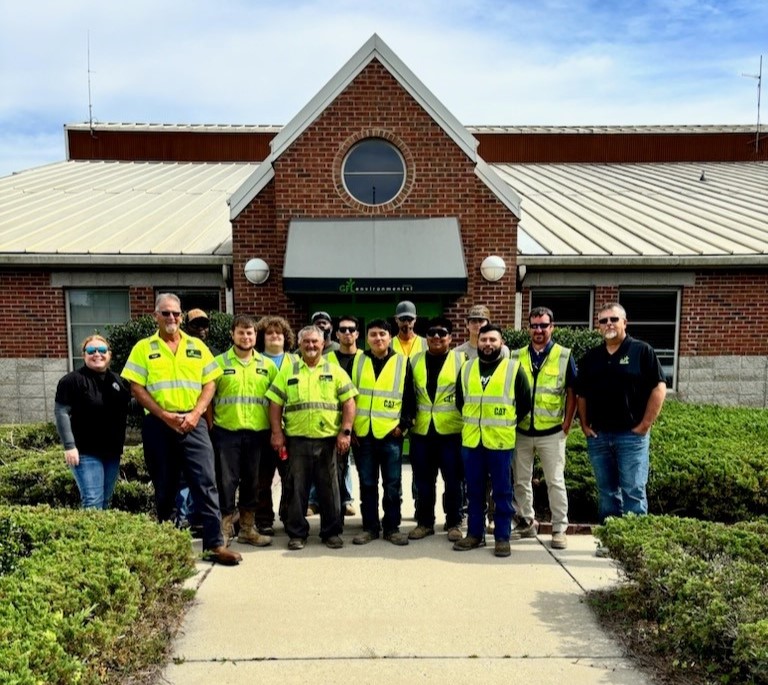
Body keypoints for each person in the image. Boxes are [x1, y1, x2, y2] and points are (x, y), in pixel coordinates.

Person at [121, 293, 241, 566]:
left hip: (193, 424)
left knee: (206, 483)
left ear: (181, 315)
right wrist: (164, 415)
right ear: (156, 316)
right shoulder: (143, 348)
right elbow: (136, 387)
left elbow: (210, 381)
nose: (172, 318)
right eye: (166, 313)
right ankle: (169, 547)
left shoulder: (197, 346)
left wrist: (197, 412)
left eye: (176, 313)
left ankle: (213, 546)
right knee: (164, 487)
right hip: (159, 425)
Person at [576, 303, 666, 534]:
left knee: (633, 489)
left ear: (624, 322)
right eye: (603, 321)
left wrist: (645, 425)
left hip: (631, 436)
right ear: (598, 327)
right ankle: (611, 538)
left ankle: (634, 541)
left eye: (613, 319)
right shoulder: (591, 357)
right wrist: (584, 425)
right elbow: (582, 394)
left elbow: (659, 388)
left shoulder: (641, 351)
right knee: (607, 491)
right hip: (599, 436)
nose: (609, 324)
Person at [266, 325, 357, 550]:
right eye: (306, 341)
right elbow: (275, 402)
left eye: (315, 341)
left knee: (330, 489)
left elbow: (349, 402)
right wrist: (277, 433)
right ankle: (297, 533)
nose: (311, 345)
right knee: (297, 488)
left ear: (323, 343)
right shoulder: (289, 371)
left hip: (328, 440)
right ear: (299, 344)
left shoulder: (334, 370)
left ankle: (331, 532)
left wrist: (345, 431)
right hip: (297, 440)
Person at [453, 324, 531, 557]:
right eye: (484, 340)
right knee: (474, 492)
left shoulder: (513, 369)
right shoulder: (466, 369)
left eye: (492, 340)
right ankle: (475, 535)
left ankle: (502, 537)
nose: (487, 344)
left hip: (500, 443)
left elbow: (524, 404)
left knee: (502, 493)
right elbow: (461, 401)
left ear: (502, 343)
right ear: (478, 342)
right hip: (472, 442)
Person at [512, 306, 577, 550]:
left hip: (551, 431)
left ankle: (559, 528)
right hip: (521, 431)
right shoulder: (516, 356)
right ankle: (527, 522)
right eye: (534, 325)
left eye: (543, 325)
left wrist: (568, 422)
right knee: (521, 480)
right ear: (528, 328)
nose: (538, 330)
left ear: (552, 327)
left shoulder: (563, 355)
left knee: (555, 481)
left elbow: (572, 391)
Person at [208, 314, 274, 548]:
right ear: (232, 335)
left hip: (258, 435)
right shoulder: (218, 363)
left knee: (253, 483)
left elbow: (276, 401)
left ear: (256, 336)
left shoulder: (267, 366)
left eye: (250, 333)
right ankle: (224, 530)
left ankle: (247, 529)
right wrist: (210, 425)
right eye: (241, 332)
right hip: (227, 433)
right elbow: (208, 398)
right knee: (226, 482)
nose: (246, 337)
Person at [350, 319, 416, 546]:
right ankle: (370, 527)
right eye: (373, 334)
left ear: (390, 337)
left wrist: (403, 425)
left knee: (392, 484)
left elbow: (409, 397)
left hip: (390, 434)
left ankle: (392, 527)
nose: (378, 338)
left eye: (382, 334)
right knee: (367, 483)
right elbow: (350, 396)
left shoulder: (401, 362)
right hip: (363, 435)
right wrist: (350, 428)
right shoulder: (359, 360)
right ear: (366, 338)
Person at [54, 335, 132, 509]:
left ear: (109, 354)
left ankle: (102, 537)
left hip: (112, 453)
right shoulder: (71, 381)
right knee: (93, 501)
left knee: (105, 501)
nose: (97, 354)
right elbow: (61, 412)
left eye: (102, 350)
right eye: (91, 351)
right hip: (85, 452)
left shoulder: (117, 380)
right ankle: (90, 536)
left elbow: (128, 406)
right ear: (84, 355)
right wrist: (69, 446)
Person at [407, 317, 466, 543]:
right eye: (431, 333)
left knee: (453, 481)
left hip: (451, 432)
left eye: (442, 333)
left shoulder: (462, 360)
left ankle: (453, 523)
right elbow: (408, 394)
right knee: (423, 481)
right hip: (422, 432)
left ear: (450, 337)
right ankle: (424, 523)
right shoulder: (414, 361)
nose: (436, 337)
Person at [253, 315, 296, 536]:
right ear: (262, 337)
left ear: (286, 337)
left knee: (290, 477)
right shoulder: (255, 361)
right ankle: (263, 520)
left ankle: (288, 516)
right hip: (262, 430)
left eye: (279, 332)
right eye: (269, 333)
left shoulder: (295, 362)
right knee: (263, 478)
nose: (275, 336)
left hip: (291, 429)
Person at [323, 314, 363, 517]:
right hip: (335, 425)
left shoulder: (366, 358)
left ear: (357, 333)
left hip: (364, 425)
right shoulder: (326, 360)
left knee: (367, 476)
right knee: (334, 472)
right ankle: (335, 516)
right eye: (343, 330)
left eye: (351, 329)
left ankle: (357, 508)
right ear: (336, 334)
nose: (347, 333)